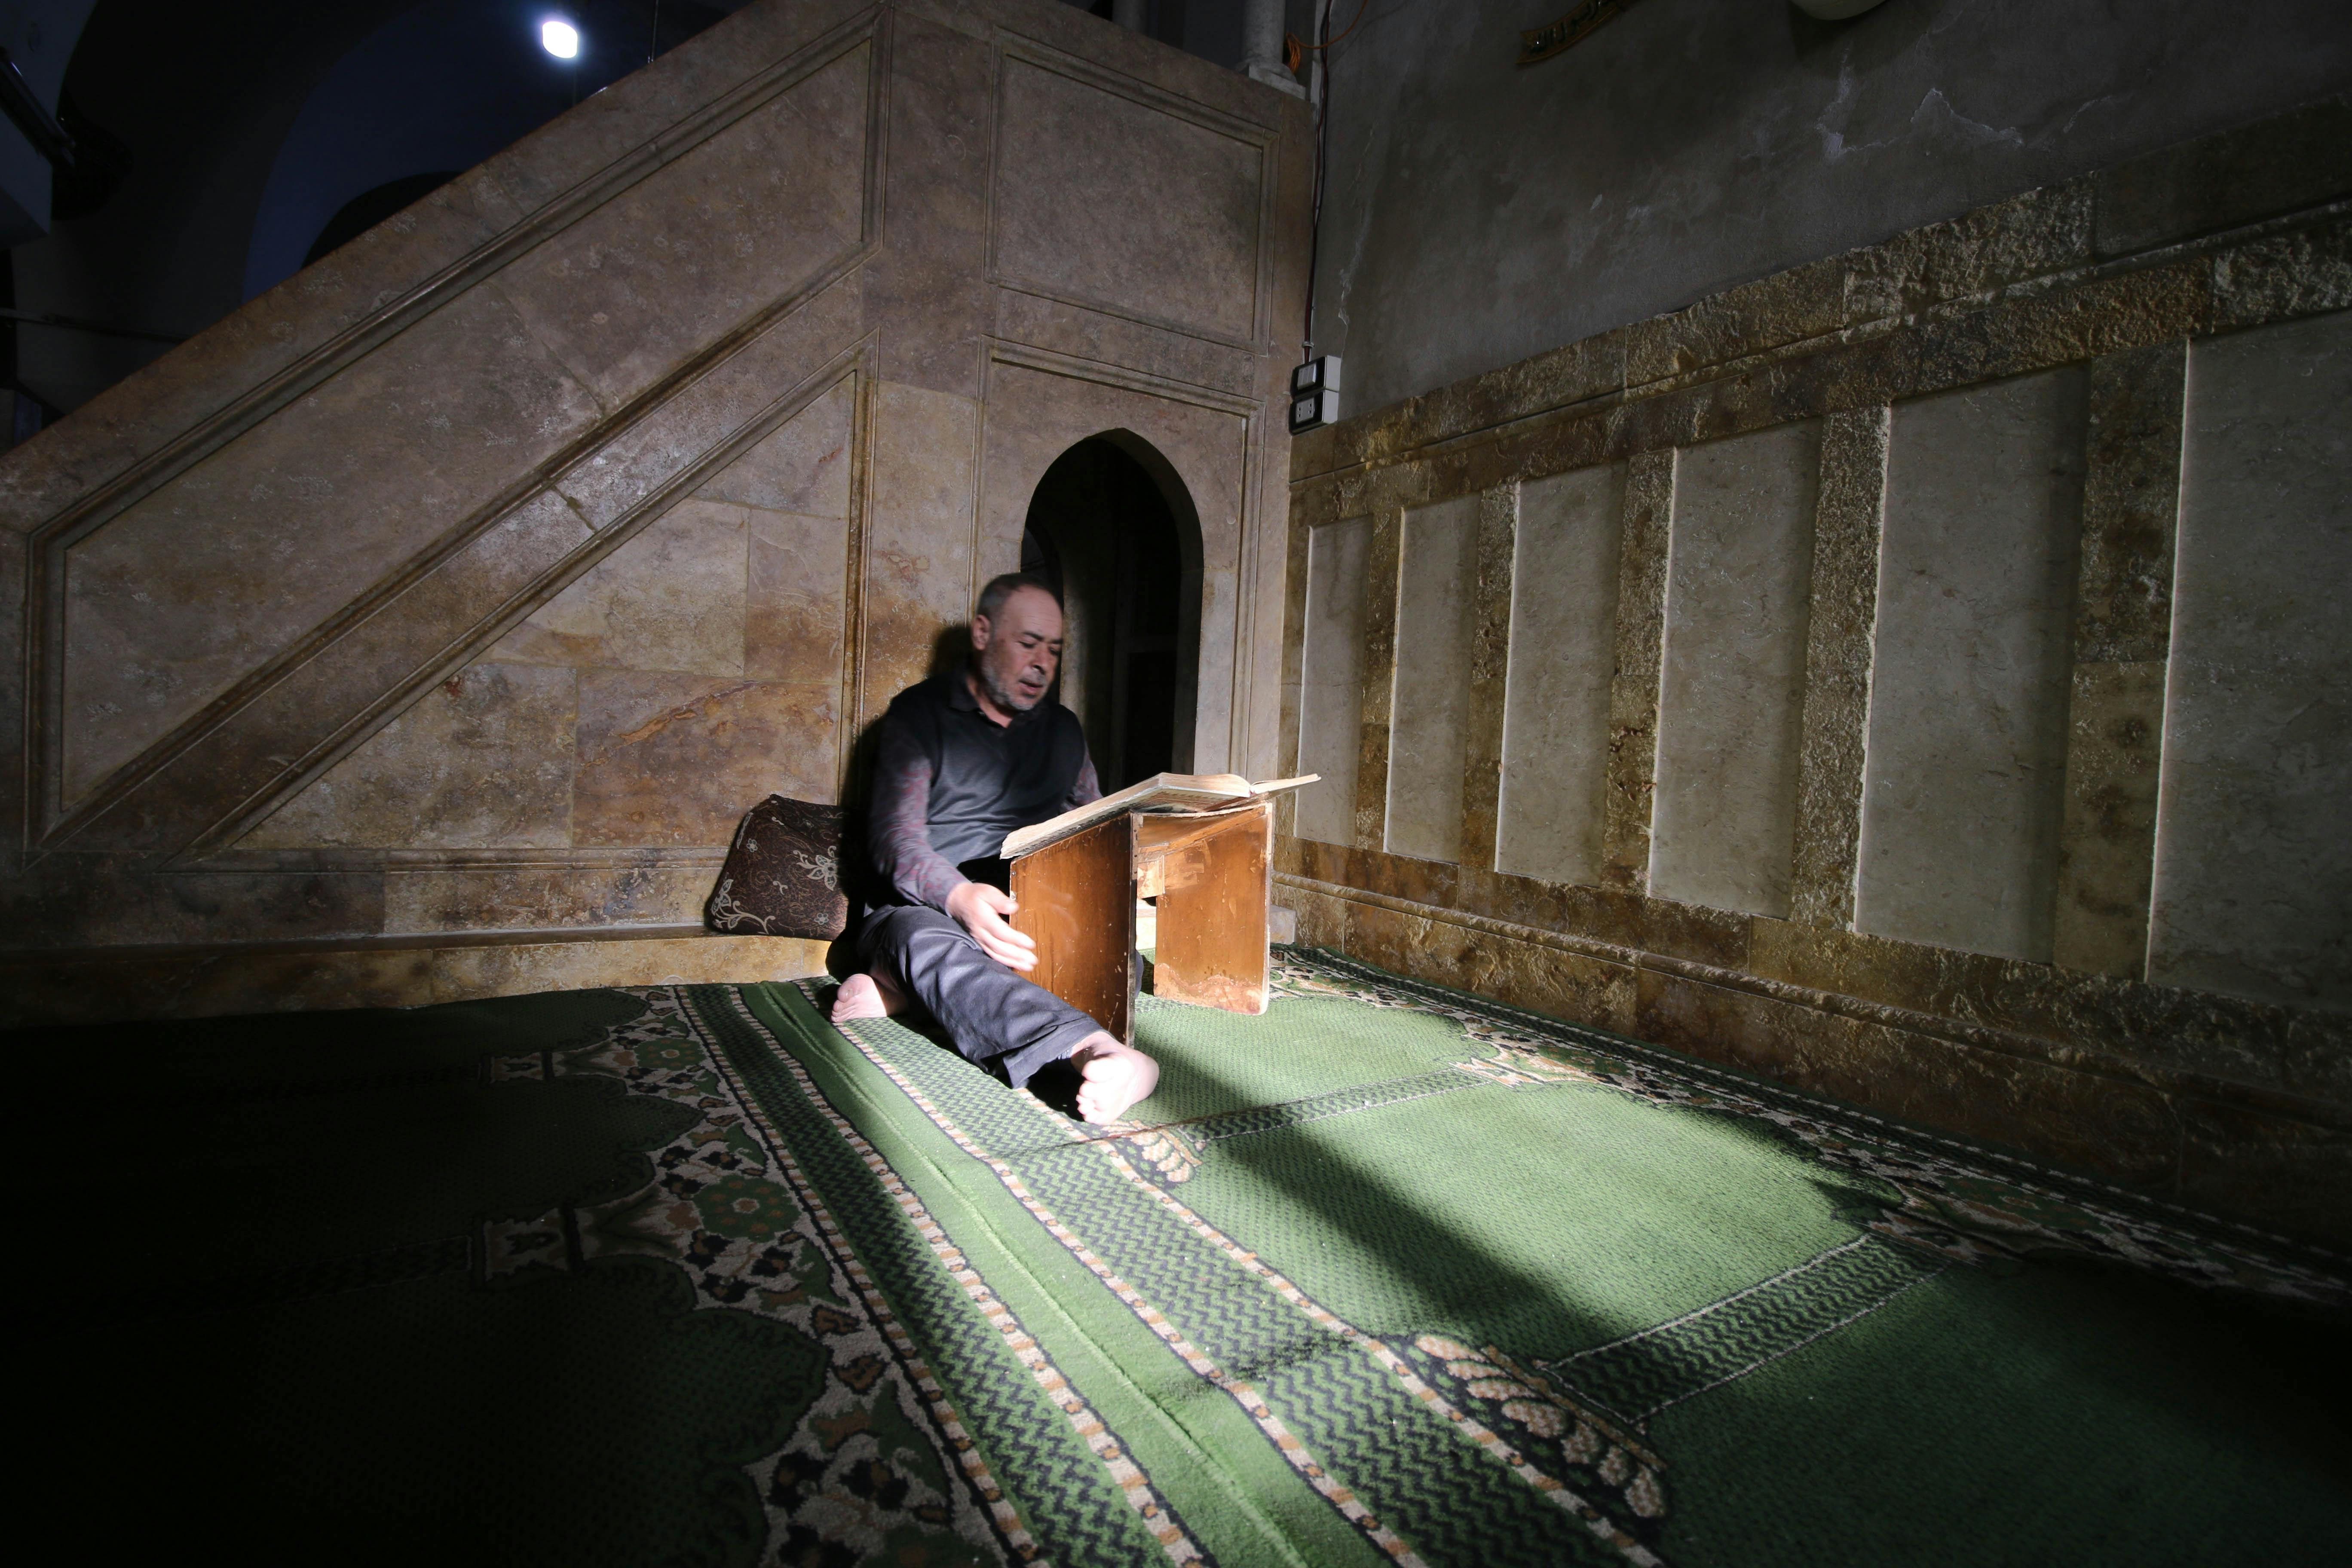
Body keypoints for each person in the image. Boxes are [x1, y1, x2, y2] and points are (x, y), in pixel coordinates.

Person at [831, 573, 1161, 1124]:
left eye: (1054, 650)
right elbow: (895, 839)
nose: (1042, 663)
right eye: (1028, 643)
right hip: (926, 912)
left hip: (1027, 911)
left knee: (1106, 949)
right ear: (983, 634)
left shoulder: (1063, 729)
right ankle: (1098, 1052)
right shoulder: (918, 715)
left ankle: (908, 995)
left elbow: (1095, 822)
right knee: (919, 941)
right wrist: (958, 898)